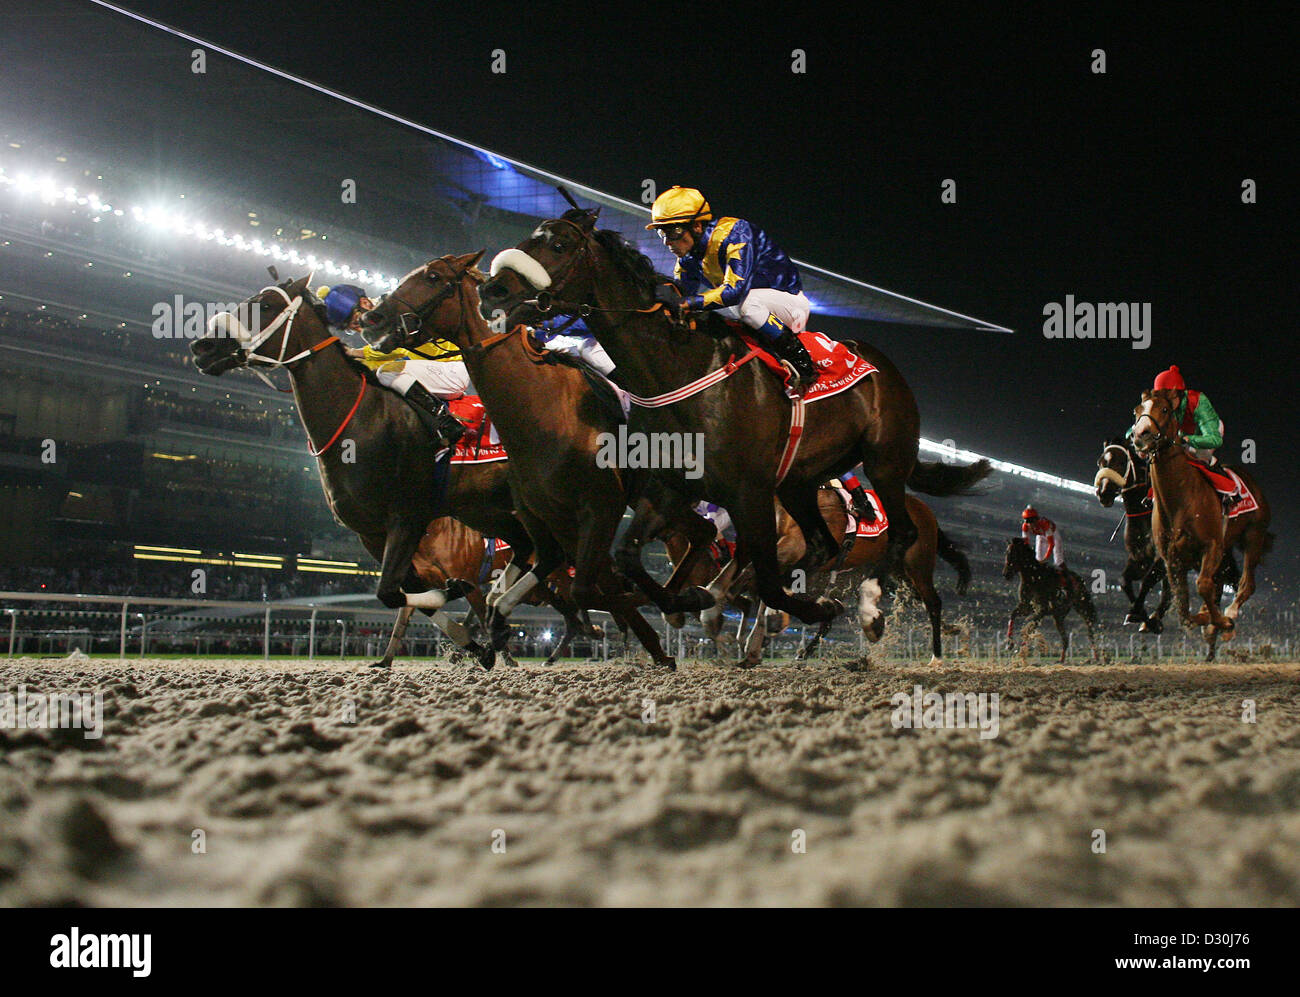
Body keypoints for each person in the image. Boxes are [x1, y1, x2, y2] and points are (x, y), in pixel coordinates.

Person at [646, 186, 818, 388]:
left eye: (674, 231)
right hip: (747, 309)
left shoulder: (736, 234)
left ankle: (802, 361)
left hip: (790, 306)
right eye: (662, 232)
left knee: (747, 304)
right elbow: (681, 297)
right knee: (704, 317)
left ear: (697, 226)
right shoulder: (686, 259)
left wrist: (686, 302)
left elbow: (734, 292)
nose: (667, 242)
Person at [318, 284, 467, 448]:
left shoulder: (395, 310)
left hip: (453, 370)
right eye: (352, 329)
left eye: (356, 323)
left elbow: (388, 350)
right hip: (438, 373)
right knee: (382, 379)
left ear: (365, 303)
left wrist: (352, 352)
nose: (360, 330)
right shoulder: (387, 317)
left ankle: (445, 420)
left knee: (386, 372)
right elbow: (382, 356)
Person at [1021, 506, 1069, 588]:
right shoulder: (1025, 526)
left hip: (1053, 535)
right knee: (1038, 559)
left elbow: (1051, 544)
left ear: (1036, 519)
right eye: (1028, 521)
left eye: (1032, 521)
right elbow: (1025, 543)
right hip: (1041, 535)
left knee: (1058, 560)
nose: (1031, 524)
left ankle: (1068, 580)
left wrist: (1046, 557)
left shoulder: (1045, 524)